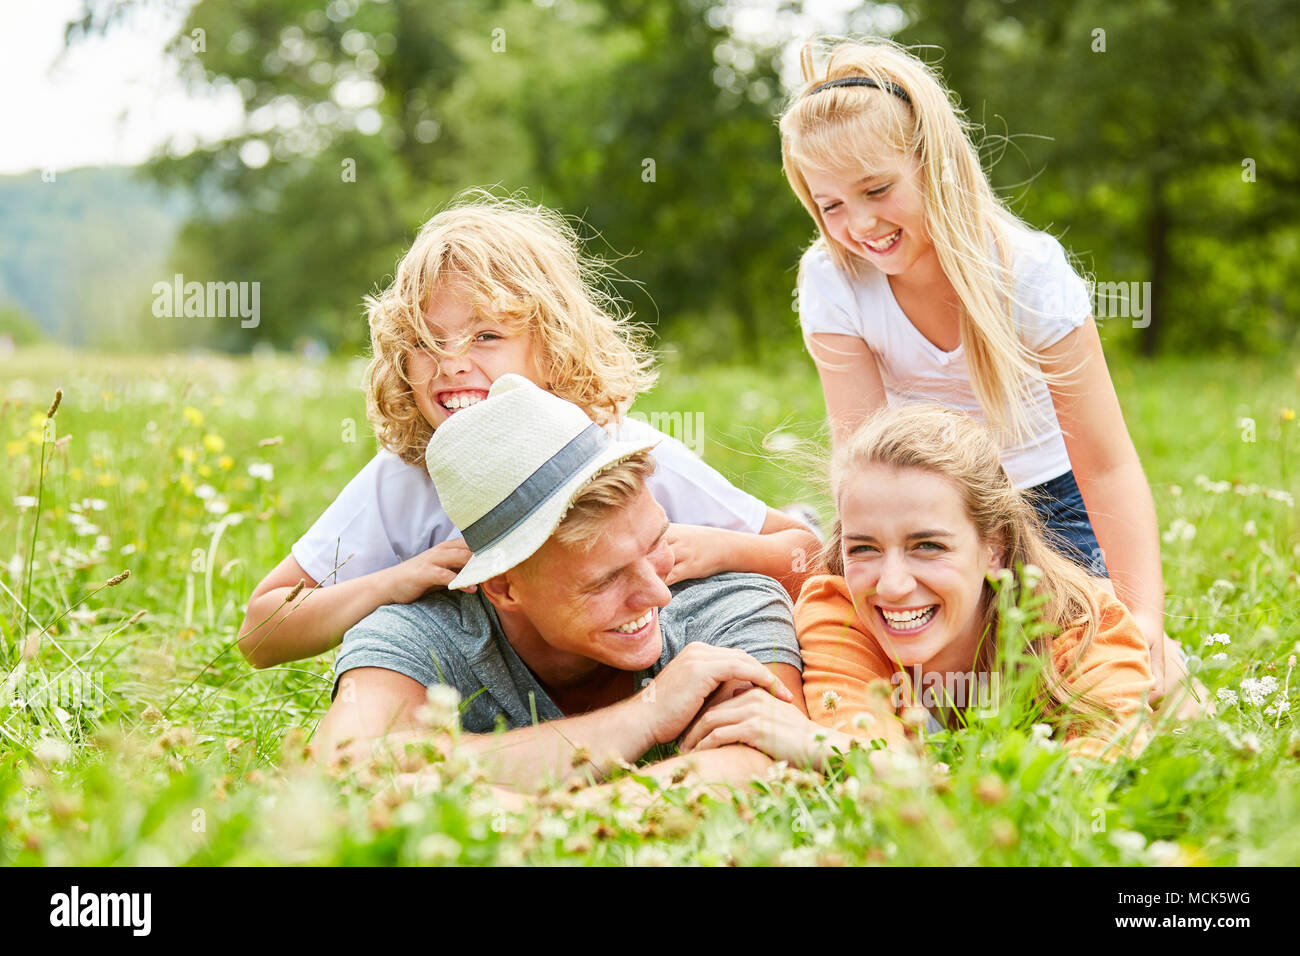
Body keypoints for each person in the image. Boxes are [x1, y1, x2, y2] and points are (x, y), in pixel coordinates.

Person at [238, 191, 818, 668]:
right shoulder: (404, 481)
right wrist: (394, 581)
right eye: (426, 341)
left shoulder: (616, 453)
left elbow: (806, 552)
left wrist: (725, 548)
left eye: (486, 336)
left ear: (553, 346)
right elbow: (261, 633)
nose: (451, 363)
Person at [777, 37, 1185, 701]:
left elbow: (1106, 466)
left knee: (1073, 670)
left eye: (877, 189)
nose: (860, 224)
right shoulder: (832, 279)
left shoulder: (1028, 272)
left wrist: (1143, 619)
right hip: (913, 508)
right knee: (855, 643)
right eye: (831, 206)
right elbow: (860, 454)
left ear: (933, 166)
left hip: (1044, 506)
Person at [312, 374, 806, 792]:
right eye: (605, 580)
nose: (658, 593)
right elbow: (341, 770)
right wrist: (644, 716)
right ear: (503, 588)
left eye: (656, 542)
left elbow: (763, 762)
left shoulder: (730, 598)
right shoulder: (424, 635)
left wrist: (534, 816)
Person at [680, 404, 1160, 767]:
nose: (890, 586)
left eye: (928, 546)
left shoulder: (1083, 625)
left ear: (993, 547)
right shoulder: (838, 609)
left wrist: (826, 749)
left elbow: (1099, 774)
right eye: (863, 548)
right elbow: (869, 752)